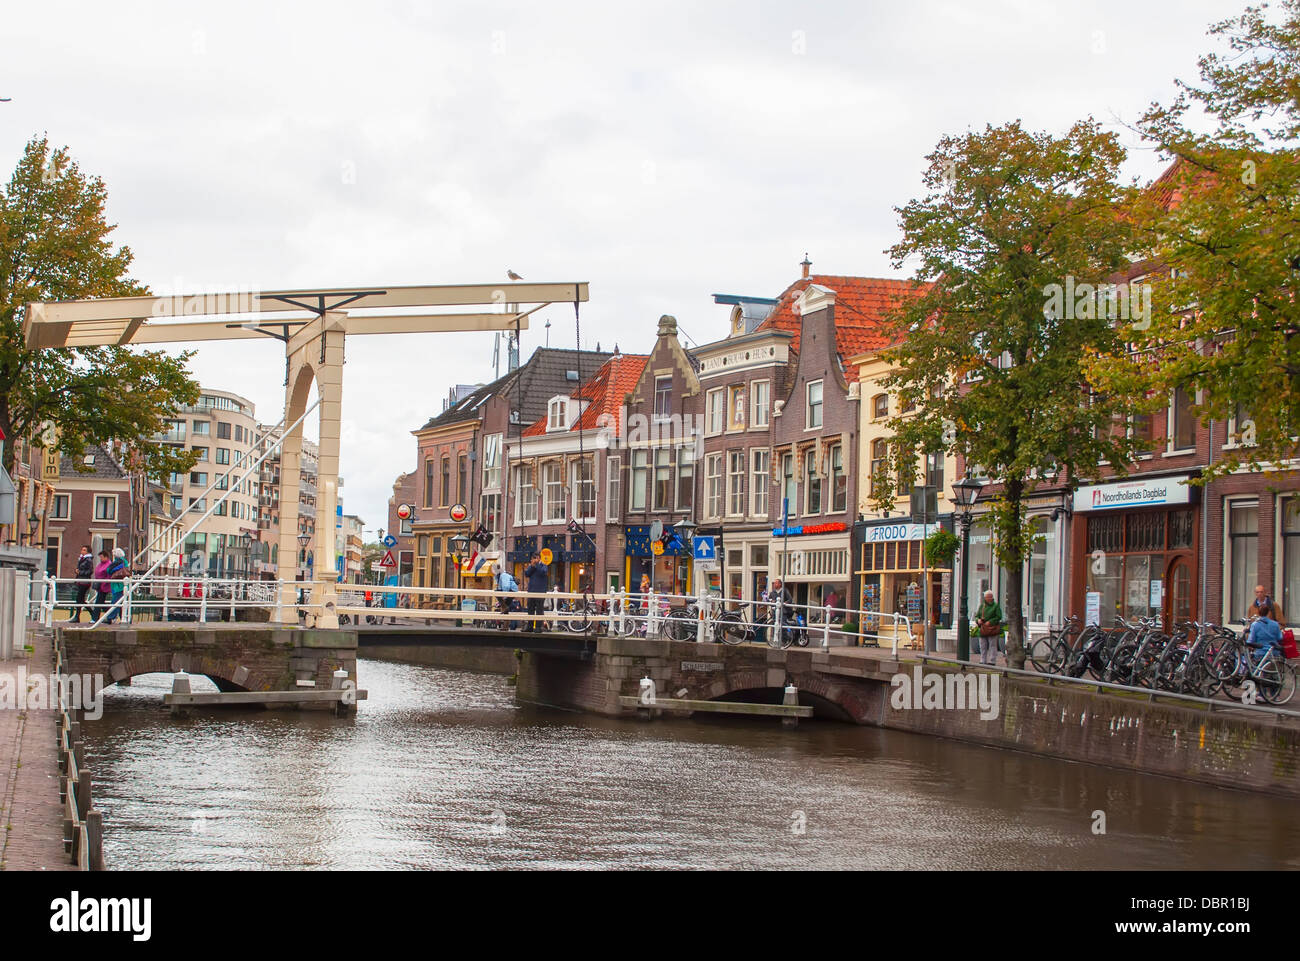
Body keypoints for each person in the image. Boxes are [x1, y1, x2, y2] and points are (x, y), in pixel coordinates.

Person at [1247, 602, 1284, 666]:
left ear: (1258, 612)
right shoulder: (1275, 624)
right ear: (1268, 612)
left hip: (1261, 653)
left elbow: (1251, 640)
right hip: (1274, 652)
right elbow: (1280, 638)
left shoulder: (1255, 625)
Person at [973, 589, 1003, 665]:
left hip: (992, 628)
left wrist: (991, 622)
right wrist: (978, 620)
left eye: (990, 597)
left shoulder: (996, 606)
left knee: (992, 645)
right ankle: (983, 659)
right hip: (983, 628)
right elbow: (977, 616)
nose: (989, 598)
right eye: (987, 597)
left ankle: (992, 660)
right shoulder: (982, 606)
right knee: (982, 645)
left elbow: (999, 616)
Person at [522, 552, 549, 633]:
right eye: (534, 558)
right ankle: (529, 627)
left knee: (539, 610)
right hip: (531, 591)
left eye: (536, 558)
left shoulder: (544, 566)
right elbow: (527, 574)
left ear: (540, 558)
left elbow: (542, 573)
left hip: (540, 592)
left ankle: (538, 627)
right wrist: (532, 566)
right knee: (530, 610)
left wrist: (537, 565)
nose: (535, 560)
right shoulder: (532, 567)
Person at [102, 548, 128, 625]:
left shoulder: (118, 562)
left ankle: (110, 617)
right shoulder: (125, 561)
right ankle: (125, 618)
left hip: (118, 585)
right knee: (122, 602)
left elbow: (109, 570)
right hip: (123, 584)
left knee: (115, 601)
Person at [72, 545, 93, 623]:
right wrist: (77, 571)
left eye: (84, 550)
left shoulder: (88, 560)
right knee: (80, 599)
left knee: (79, 599)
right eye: (82, 550)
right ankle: (78, 616)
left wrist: (80, 572)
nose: (82, 551)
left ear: (87, 552)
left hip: (85, 582)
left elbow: (90, 571)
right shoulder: (82, 559)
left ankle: (78, 617)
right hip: (80, 581)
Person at [494, 563, 519, 629]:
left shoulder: (503, 575)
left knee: (497, 593)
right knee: (505, 608)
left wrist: (504, 597)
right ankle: (505, 626)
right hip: (511, 590)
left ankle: (505, 607)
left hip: (511, 591)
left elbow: (506, 586)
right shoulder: (499, 576)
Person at [91, 550, 111, 621]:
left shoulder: (108, 565)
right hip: (100, 585)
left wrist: (104, 584)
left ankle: (95, 618)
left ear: (106, 557)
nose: (101, 559)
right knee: (101, 602)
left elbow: (108, 575)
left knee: (98, 602)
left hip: (104, 586)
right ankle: (110, 614)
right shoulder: (101, 564)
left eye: (101, 557)